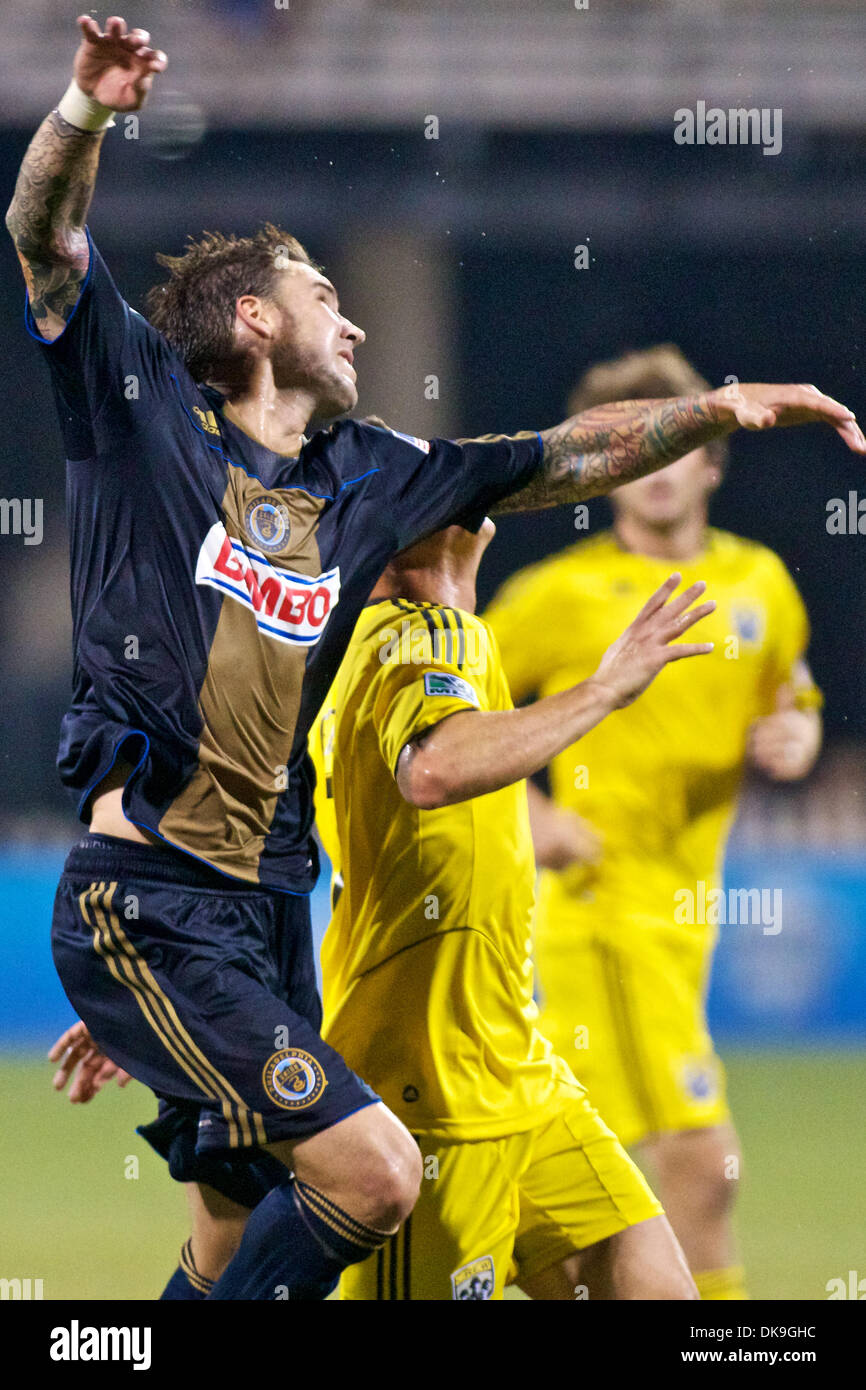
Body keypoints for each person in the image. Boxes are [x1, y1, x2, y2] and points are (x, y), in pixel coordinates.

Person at [9, 16, 858, 1301]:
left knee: (236, 1233)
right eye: (323, 296)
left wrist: (717, 408)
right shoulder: (146, 424)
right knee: (376, 1176)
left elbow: (560, 453)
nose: (349, 324)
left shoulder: (371, 480)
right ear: (253, 317)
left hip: (262, 919)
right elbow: (48, 244)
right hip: (153, 893)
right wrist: (83, 111)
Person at [485, 345, 825, 1301]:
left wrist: (795, 734)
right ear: (611, 467)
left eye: (676, 443)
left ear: (712, 459)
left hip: (683, 923)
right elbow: (440, 728)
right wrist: (529, 809)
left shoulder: (759, 583)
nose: (660, 466)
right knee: (696, 1165)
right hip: (589, 921)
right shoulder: (556, 597)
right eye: (638, 447)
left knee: (586, 1195)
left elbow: (789, 696)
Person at [309, 515, 714, 1300]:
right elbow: (434, 769)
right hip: (423, 1094)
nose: (482, 503)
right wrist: (602, 690)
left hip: (517, 1070)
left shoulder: (393, 641)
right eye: (450, 489)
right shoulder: (417, 632)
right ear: (400, 542)